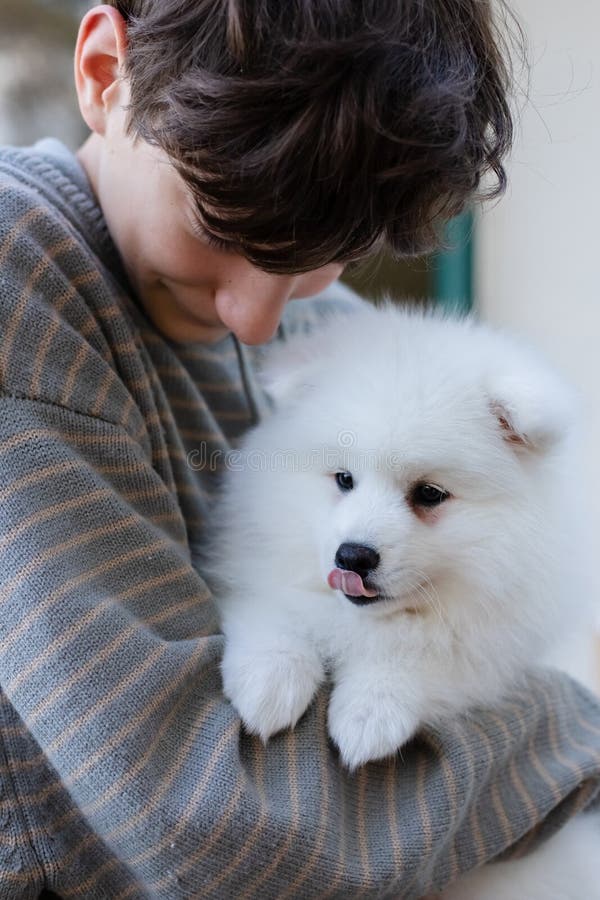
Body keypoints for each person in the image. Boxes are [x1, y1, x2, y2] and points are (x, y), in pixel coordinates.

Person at [0, 2, 598, 897]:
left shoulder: (337, 333)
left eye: (326, 253)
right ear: (101, 75)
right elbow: (208, 828)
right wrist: (571, 737)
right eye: (216, 226)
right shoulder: (20, 293)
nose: (257, 317)